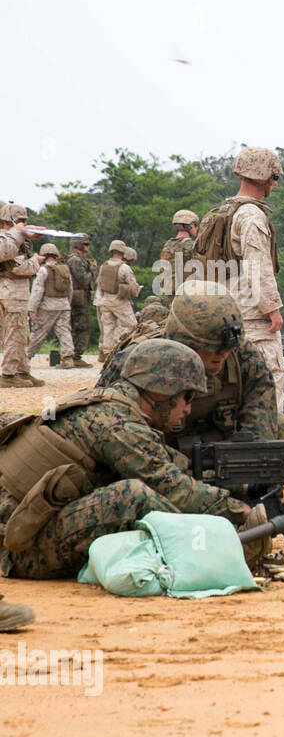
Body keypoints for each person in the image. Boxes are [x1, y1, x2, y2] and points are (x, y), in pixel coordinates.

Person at [0, 339, 253, 579]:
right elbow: (172, 488)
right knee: (131, 496)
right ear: (164, 392)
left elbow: (173, 468)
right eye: (187, 397)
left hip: (24, 531)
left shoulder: (110, 408)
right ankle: (213, 549)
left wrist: (241, 486)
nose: (188, 409)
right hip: (17, 551)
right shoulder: (118, 425)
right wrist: (240, 513)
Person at [98, 278, 284, 447]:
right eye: (210, 348)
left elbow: (260, 420)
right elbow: (104, 427)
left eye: (228, 349)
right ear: (181, 342)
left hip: (220, 449)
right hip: (155, 454)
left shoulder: (244, 356)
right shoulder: (138, 360)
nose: (221, 355)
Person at [195, 147, 284, 408]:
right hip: (253, 318)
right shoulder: (251, 216)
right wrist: (272, 309)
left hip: (224, 312)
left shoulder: (222, 213)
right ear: (263, 177)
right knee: (267, 385)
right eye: (274, 178)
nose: (275, 184)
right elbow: (259, 267)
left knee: (233, 390)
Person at [0, 204, 44, 388]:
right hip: (11, 292)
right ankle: (8, 374)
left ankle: (21, 370)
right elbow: (18, 268)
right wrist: (35, 262)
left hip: (16, 292)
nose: (23, 224)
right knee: (14, 333)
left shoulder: (13, 239)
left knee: (22, 333)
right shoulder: (7, 239)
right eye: (19, 221)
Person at [27, 243, 76, 368]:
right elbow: (70, 290)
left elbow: (37, 291)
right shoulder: (65, 269)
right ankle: (68, 358)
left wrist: (31, 309)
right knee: (64, 331)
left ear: (44, 255)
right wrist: (67, 303)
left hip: (47, 306)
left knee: (38, 332)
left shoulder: (43, 270)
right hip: (64, 304)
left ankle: (26, 356)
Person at [94, 239, 140, 361]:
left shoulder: (103, 266)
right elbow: (133, 285)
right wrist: (136, 291)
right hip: (118, 300)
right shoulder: (124, 268)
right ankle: (118, 346)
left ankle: (107, 352)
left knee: (108, 327)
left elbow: (99, 282)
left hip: (104, 300)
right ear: (123, 251)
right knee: (132, 324)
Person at [63, 234, 96, 366]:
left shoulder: (81, 259)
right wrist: (93, 270)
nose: (88, 246)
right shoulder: (75, 260)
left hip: (81, 297)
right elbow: (83, 280)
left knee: (81, 326)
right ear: (78, 245)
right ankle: (75, 356)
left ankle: (75, 355)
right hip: (78, 298)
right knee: (80, 326)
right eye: (85, 244)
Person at [158, 209, 199, 302]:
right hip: (185, 293)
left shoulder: (167, 244)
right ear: (190, 225)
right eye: (195, 225)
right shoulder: (189, 245)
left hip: (169, 291)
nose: (196, 228)